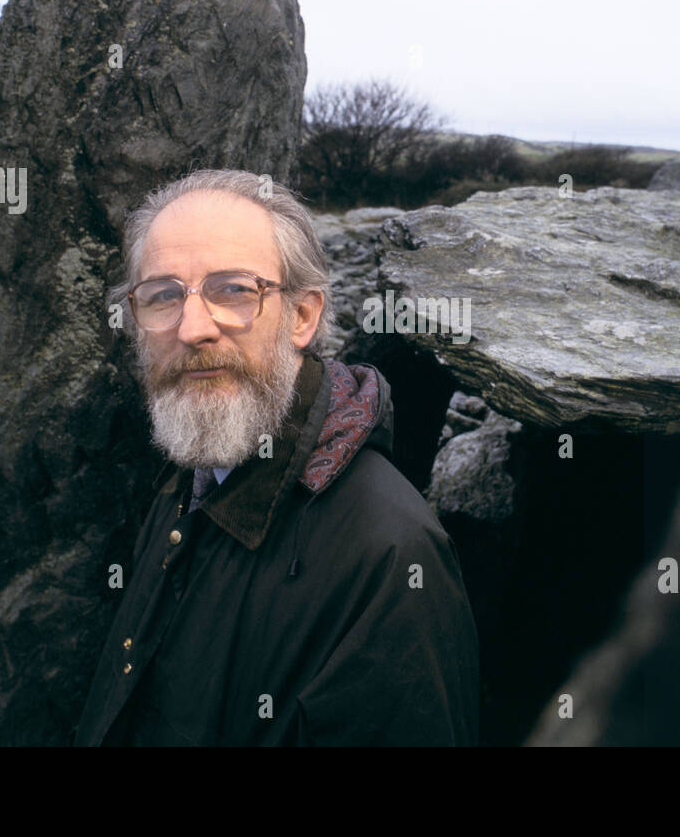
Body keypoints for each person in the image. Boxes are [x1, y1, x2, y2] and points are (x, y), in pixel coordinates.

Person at [74, 168, 479, 746]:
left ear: (303, 316)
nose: (193, 328)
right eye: (163, 295)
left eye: (234, 290)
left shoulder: (390, 558)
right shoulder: (191, 471)